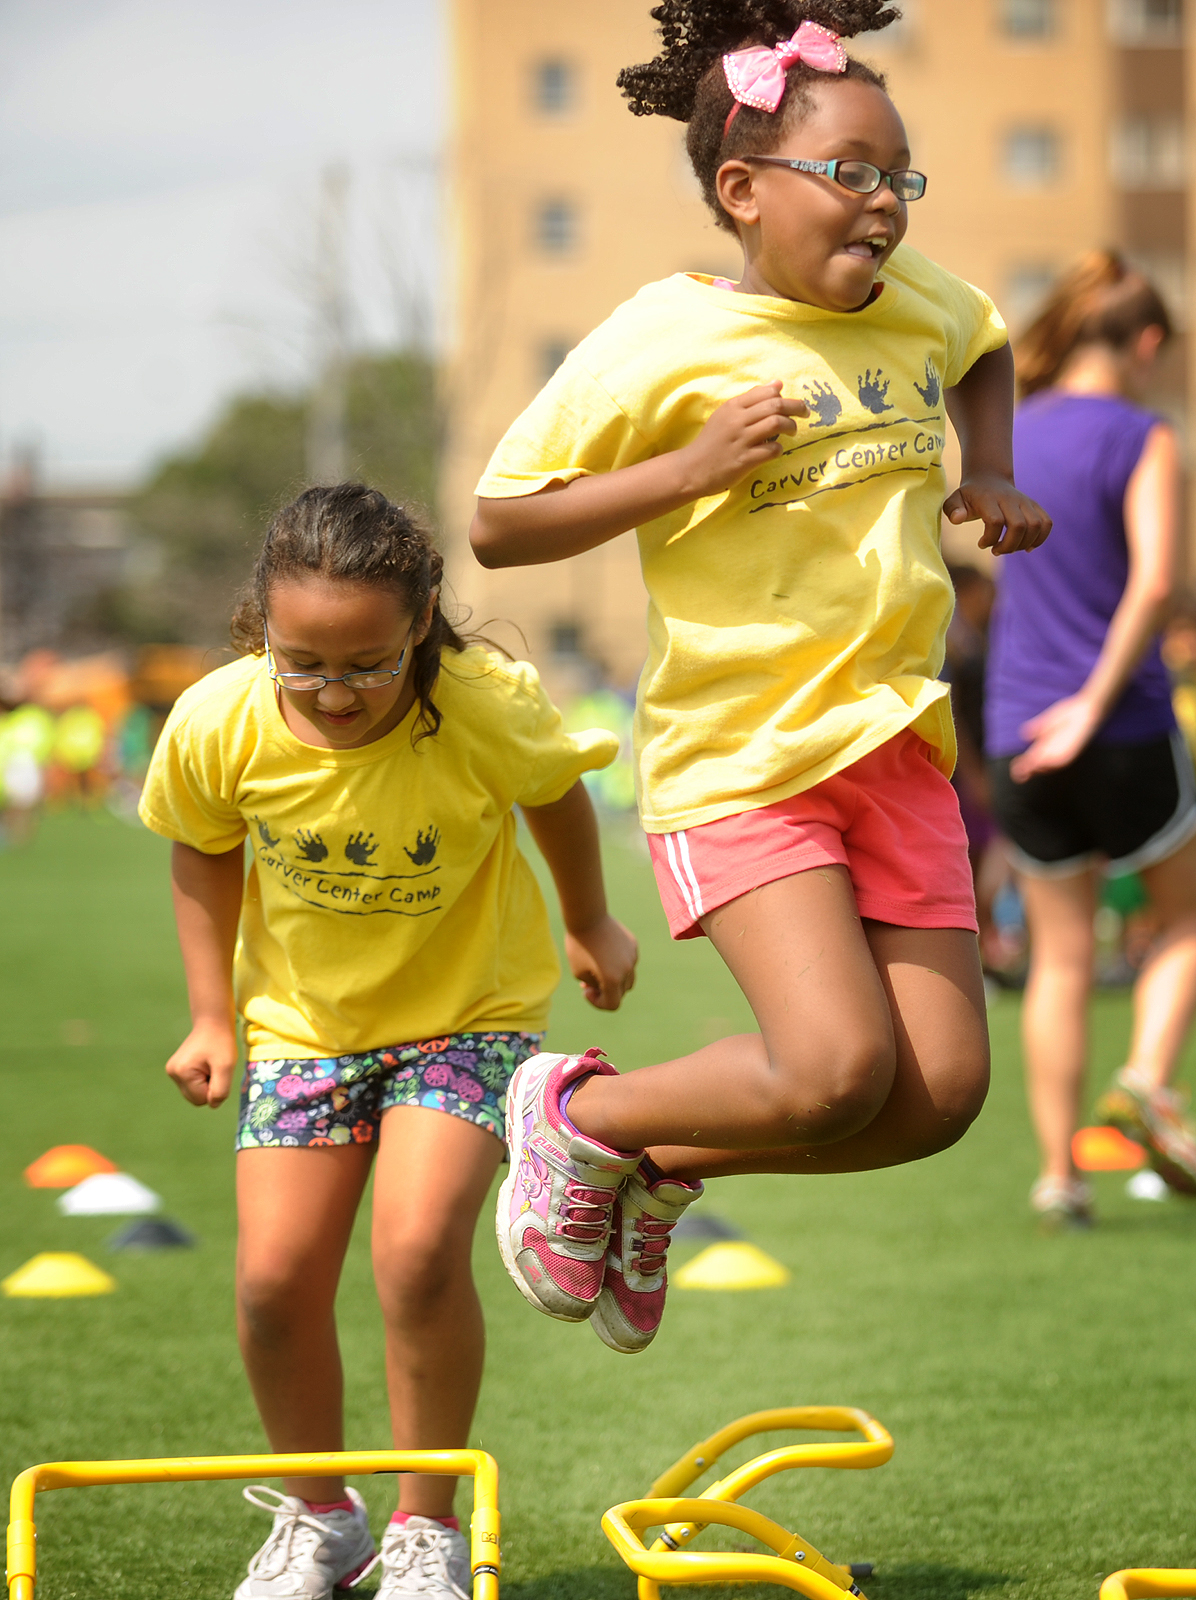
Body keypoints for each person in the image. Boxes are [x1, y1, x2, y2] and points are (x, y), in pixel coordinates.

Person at [469, 0, 1050, 1355]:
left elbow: (989, 342)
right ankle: (579, 1117)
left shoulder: (919, 304)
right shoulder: (662, 337)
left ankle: (661, 1168)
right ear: (743, 190)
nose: (888, 207)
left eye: (901, 178)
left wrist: (997, 466)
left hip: (899, 751)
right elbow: (501, 516)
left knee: (934, 1099)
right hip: (747, 762)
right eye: (852, 176)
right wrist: (685, 472)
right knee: (835, 1066)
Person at [138, 484, 637, 1599]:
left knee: (414, 1254)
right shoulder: (221, 717)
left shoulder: (479, 703)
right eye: (301, 660)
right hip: (302, 1023)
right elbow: (202, 847)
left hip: (468, 1012)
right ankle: (321, 1515)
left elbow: (552, 791)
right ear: (261, 627)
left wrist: (588, 917)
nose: (332, 690)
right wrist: (212, 1014)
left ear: (417, 625)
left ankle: (423, 1525)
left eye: (365, 662)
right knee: (272, 1280)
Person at [984, 250, 1196, 1226]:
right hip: (1118, 726)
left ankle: (1056, 1174)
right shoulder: (1142, 436)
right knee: (1183, 920)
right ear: (1144, 342)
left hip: (1015, 734)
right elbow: (1154, 584)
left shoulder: (1007, 434)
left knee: (1059, 959)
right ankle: (1146, 1080)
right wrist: (1090, 700)